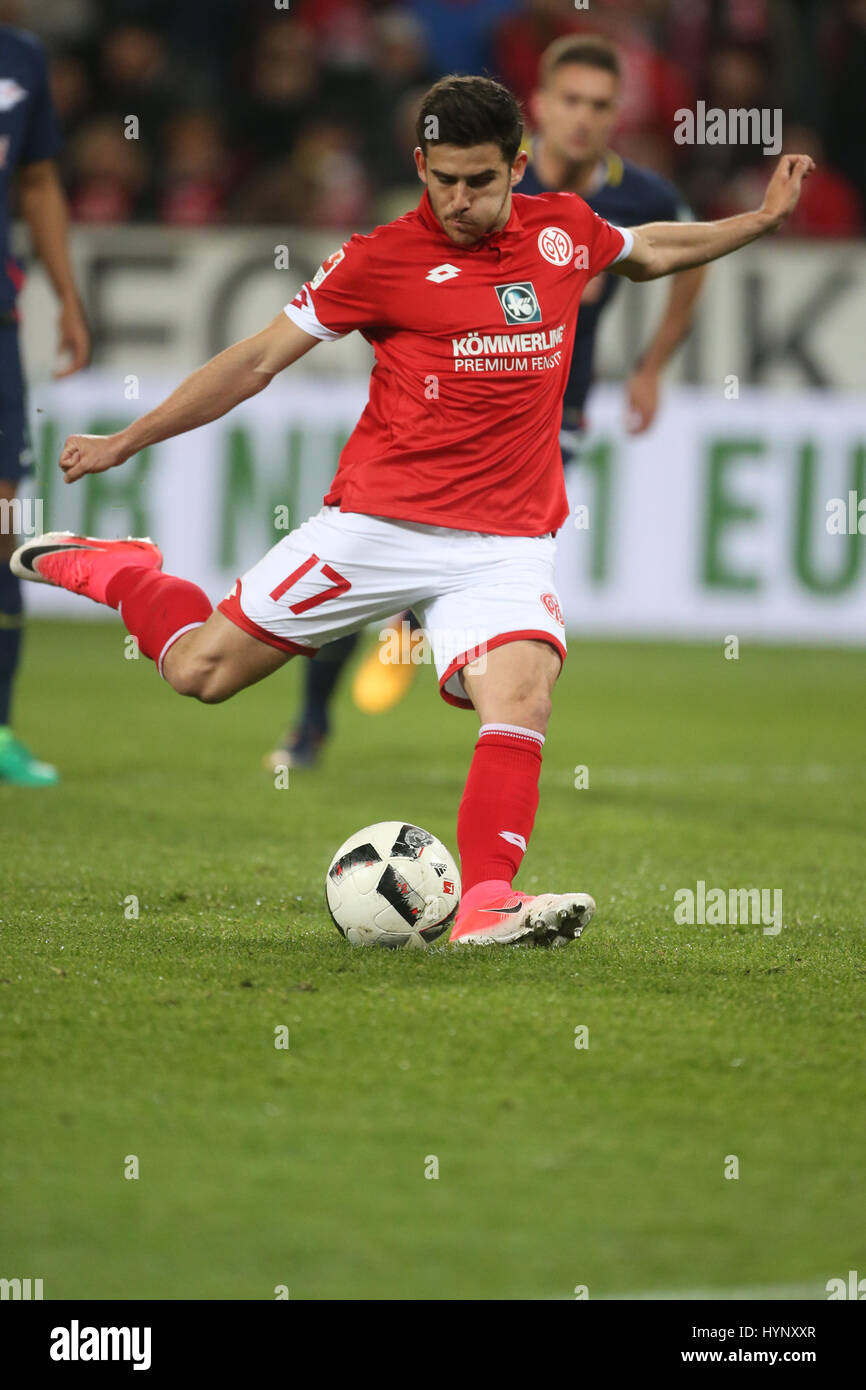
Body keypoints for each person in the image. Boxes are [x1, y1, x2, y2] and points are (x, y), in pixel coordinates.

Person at [13, 76, 813, 945]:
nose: (459, 200)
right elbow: (253, 362)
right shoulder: (379, 258)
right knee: (200, 674)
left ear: (518, 165)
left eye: (481, 180)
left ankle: (488, 902)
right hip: (377, 528)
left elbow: (649, 248)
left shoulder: (564, 229)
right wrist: (126, 441)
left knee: (525, 694)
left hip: (506, 541)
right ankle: (124, 570)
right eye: (443, 180)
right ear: (420, 165)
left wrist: (760, 221)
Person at [268, 32, 706, 772]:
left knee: (477, 553)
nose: (584, 117)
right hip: (435, 411)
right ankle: (314, 718)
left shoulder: (643, 197)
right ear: (539, 104)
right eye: (570, 100)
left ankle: (429, 638)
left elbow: (682, 260)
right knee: (364, 556)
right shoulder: (488, 182)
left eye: (601, 105)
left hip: (550, 416)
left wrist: (653, 364)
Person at [0, 24, 90, 786]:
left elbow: (36, 181)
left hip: (0, 317)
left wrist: (66, 296)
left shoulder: (24, 54)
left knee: (3, 520)